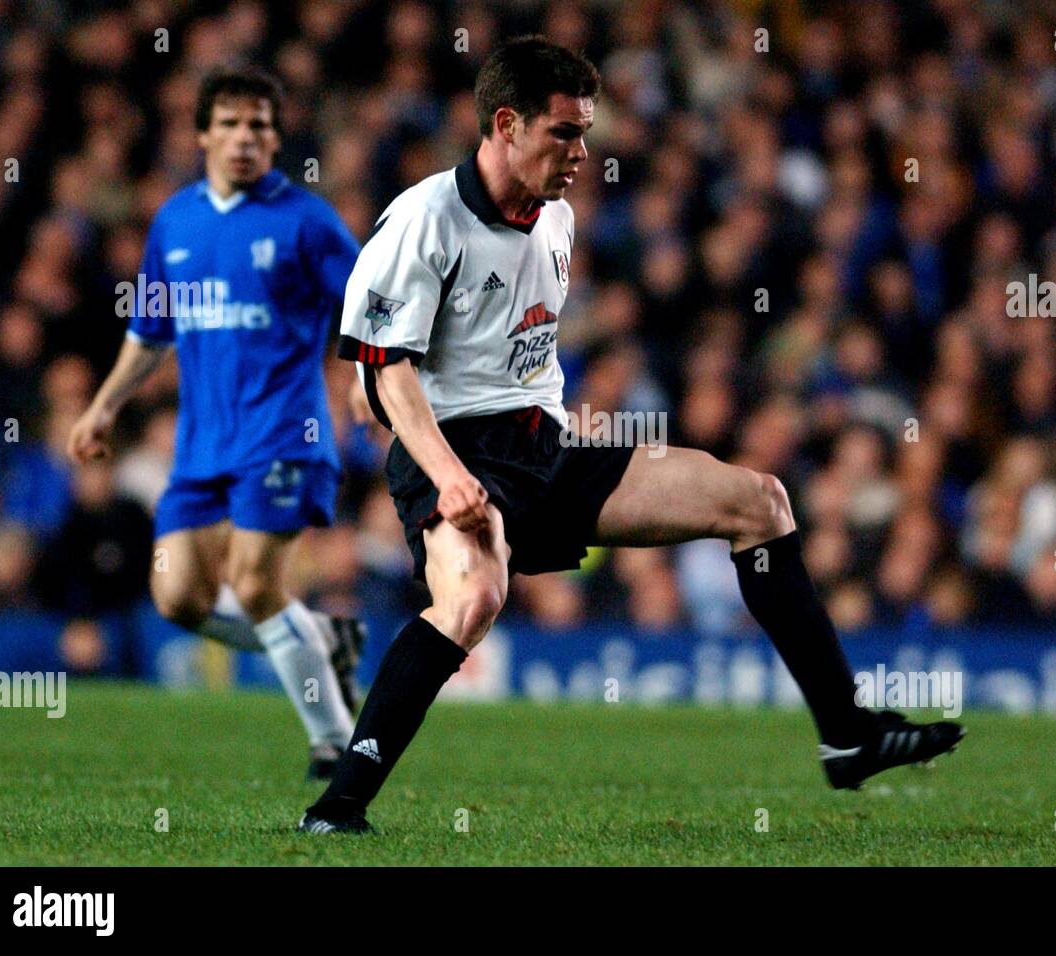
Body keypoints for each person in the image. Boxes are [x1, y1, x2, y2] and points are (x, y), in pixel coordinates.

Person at [300, 36, 963, 834]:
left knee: (759, 500)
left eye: (586, 133)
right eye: (564, 133)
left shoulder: (558, 219)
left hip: (545, 451)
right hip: (453, 455)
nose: (582, 153)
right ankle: (338, 806)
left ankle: (847, 735)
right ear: (505, 124)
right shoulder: (423, 220)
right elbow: (383, 375)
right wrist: (445, 475)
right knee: (474, 596)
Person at [68, 67, 364, 780]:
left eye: (259, 124)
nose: (244, 138)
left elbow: (369, 306)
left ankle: (337, 743)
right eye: (229, 123)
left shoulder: (307, 221)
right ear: (202, 133)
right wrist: (105, 403)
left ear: (275, 138)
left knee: (257, 583)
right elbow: (151, 333)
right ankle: (322, 638)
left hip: (285, 436)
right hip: (201, 452)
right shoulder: (175, 222)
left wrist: (362, 379)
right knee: (176, 597)